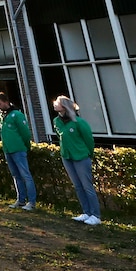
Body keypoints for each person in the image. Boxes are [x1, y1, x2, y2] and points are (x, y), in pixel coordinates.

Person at [53, 95, 100, 225]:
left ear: (64, 106)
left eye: (58, 102)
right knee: (78, 186)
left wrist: (88, 154)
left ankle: (95, 214)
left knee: (87, 186)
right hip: (67, 156)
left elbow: (88, 140)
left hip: (80, 156)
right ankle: (86, 212)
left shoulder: (79, 122)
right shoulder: (57, 121)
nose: (55, 104)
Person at [0, 92, 36, 210]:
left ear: (6, 102)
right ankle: (21, 199)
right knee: (16, 175)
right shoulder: (1, 116)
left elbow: (25, 132)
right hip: (8, 150)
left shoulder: (17, 114)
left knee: (25, 175)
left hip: (18, 149)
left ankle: (31, 202)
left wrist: (26, 146)